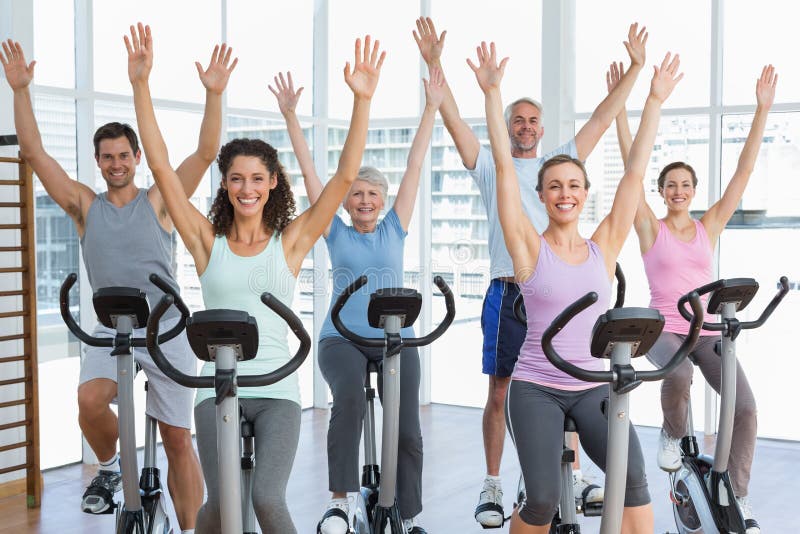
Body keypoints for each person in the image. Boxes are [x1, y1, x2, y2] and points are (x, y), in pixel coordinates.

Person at [126, 22, 384, 533]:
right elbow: (158, 163)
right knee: (220, 507)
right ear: (225, 185)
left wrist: (362, 101)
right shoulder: (206, 242)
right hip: (216, 389)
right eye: (238, 178)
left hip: (276, 387)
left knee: (266, 498)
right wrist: (142, 85)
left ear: (272, 185)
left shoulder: (291, 241)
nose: (248, 188)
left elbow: (343, 177)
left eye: (258, 178)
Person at [412, 16, 647, 526]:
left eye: (532, 120)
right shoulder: (490, 165)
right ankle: (495, 481)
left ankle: (577, 473)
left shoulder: (561, 165)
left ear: (543, 131)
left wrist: (634, 73)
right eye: (516, 119)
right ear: (510, 126)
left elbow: (606, 119)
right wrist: (436, 63)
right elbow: (451, 116)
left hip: (566, 292)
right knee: (502, 389)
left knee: (575, 376)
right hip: (509, 289)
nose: (524, 126)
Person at [0, 33, 238, 531]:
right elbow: (35, 153)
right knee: (89, 400)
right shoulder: (86, 207)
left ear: (135, 156)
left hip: (167, 330)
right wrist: (20, 91)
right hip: (111, 331)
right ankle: (109, 469)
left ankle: (190, 527)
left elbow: (205, 151)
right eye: (106, 157)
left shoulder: (159, 202)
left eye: (123, 156)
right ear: (99, 162)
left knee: (177, 438)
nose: (115, 164)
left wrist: (212, 94)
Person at [470, 37, 682, 533]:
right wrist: (492, 95)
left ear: (585, 194)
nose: (565, 194)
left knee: (633, 482)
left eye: (574, 185)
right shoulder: (527, 247)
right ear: (541, 196)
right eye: (554, 186)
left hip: (592, 384)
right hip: (536, 387)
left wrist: (652, 101)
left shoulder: (602, 247)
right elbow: (504, 168)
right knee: (541, 499)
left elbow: (634, 172)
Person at [270, 65, 444, 534]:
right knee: (347, 402)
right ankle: (340, 502)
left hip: (397, 340)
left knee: (407, 429)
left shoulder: (395, 226)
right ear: (345, 202)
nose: (364, 200)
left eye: (372, 194)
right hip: (341, 338)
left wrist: (431, 107)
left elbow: (414, 163)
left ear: (384, 201)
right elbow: (309, 172)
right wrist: (290, 117)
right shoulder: (334, 229)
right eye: (357, 194)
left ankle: (405, 514)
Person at [608, 62, 777, 534]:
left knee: (744, 407)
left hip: (708, 331)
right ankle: (675, 435)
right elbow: (631, 168)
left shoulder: (709, 227)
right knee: (676, 371)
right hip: (664, 330)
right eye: (670, 185)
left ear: (694, 191)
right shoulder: (650, 228)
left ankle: (735, 496)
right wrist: (622, 108)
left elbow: (743, 174)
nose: (678, 191)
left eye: (686, 185)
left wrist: (762, 110)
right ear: (661, 192)